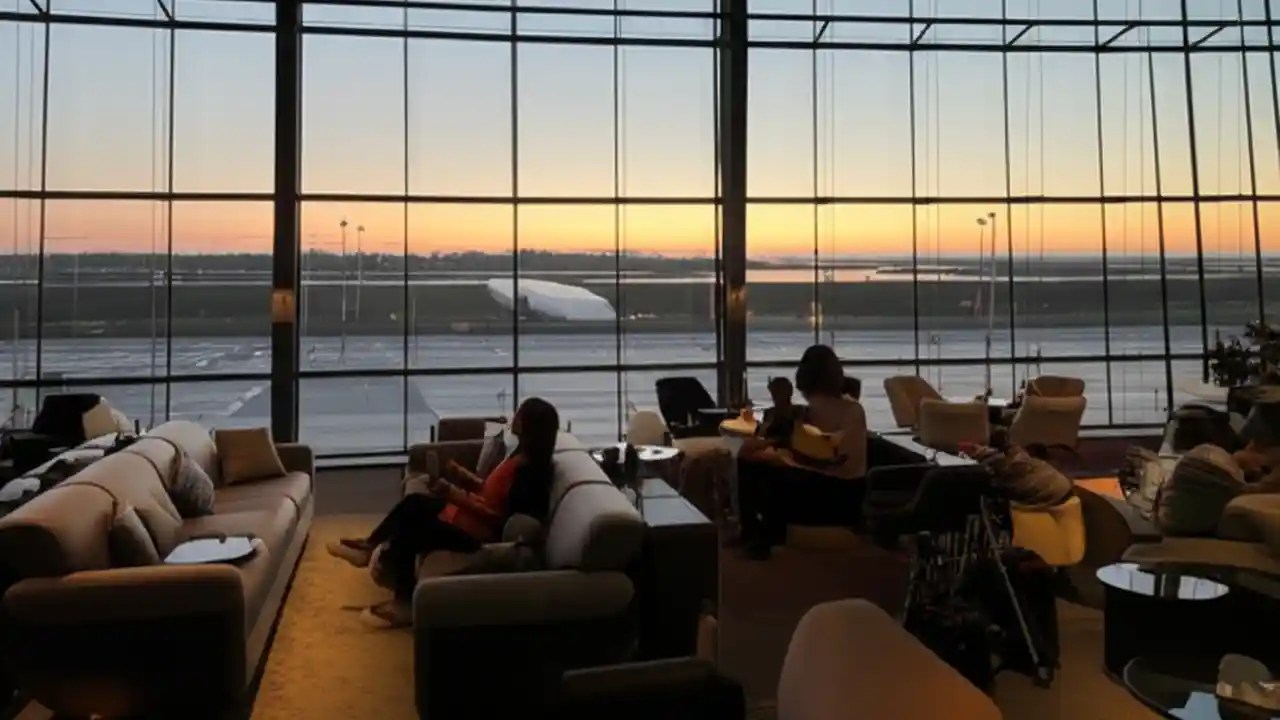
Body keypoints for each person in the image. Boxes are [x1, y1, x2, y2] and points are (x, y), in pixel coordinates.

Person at [327, 397, 560, 626]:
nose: (515, 416)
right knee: (415, 503)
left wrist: (455, 495)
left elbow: (501, 519)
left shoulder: (531, 473)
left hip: (477, 534)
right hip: (468, 517)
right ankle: (369, 548)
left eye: (521, 413)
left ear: (530, 425)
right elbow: (490, 490)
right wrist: (461, 476)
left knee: (418, 528)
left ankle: (406, 601)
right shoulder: (518, 457)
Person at [736, 345, 868, 559]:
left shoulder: (851, 411)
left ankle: (767, 535)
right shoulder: (807, 412)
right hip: (821, 482)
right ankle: (751, 532)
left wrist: (788, 453)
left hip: (843, 492)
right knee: (750, 462)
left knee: (775, 477)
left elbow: (833, 460)